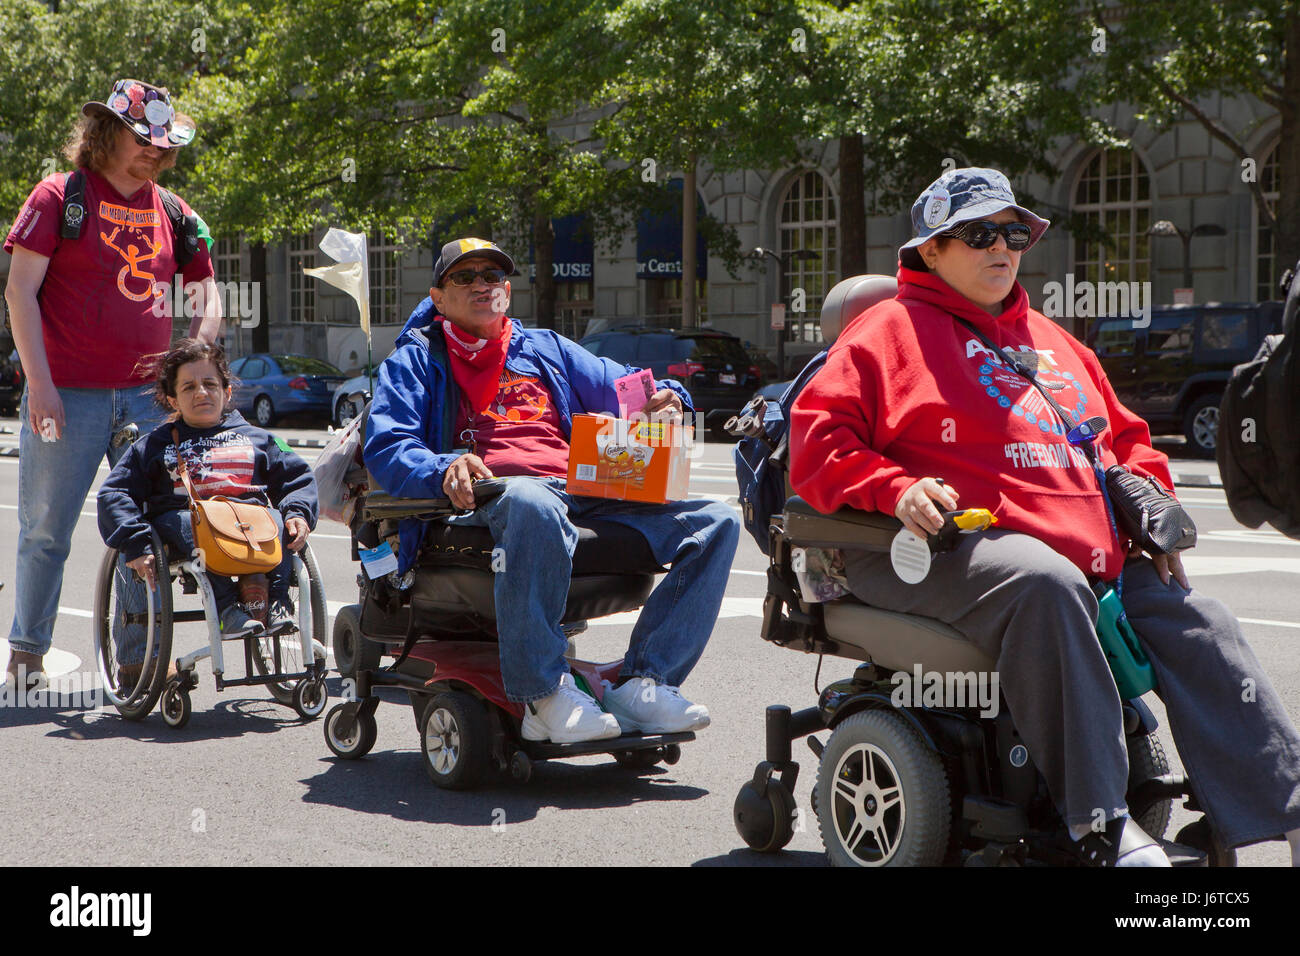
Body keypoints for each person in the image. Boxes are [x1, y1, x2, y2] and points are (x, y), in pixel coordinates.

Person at [790, 167, 1300, 867]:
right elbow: (817, 447)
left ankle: (1284, 811)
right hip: (937, 546)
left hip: (1084, 551)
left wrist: (1157, 511)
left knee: (1201, 619)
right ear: (931, 249)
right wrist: (893, 487)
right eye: (978, 234)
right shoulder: (885, 333)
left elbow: (1127, 443)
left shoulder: (1059, 343)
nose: (1003, 247)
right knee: (1046, 585)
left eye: (1015, 232)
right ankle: (1102, 826)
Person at [364, 238, 739, 744]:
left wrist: (669, 400)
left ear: (508, 292)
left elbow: (631, 387)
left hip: (578, 487)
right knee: (530, 500)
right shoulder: (415, 359)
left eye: (492, 276)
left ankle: (644, 681)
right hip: (486, 500)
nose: (481, 284)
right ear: (438, 296)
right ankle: (542, 694)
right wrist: (442, 466)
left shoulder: (544, 348)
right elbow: (387, 446)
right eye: (464, 276)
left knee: (717, 522)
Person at [3, 79, 222, 690]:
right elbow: (18, 293)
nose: (154, 151)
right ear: (105, 134)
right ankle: (28, 651)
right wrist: (39, 384)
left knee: (144, 526)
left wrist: (201, 350)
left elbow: (207, 290)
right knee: (46, 529)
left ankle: (135, 658)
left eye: (163, 143)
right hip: (65, 392)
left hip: (149, 401)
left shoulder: (175, 212)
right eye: (141, 138)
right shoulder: (58, 197)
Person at [96, 339, 317, 682]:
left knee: (279, 523)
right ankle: (228, 608)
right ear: (173, 399)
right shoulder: (153, 445)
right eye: (189, 386)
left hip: (251, 522)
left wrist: (298, 513)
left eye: (210, 384)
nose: (202, 393)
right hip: (187, 520)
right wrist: (135, 543)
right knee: (196, 524)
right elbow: (114, 492)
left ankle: (275, 602)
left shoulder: (260, 439)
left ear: (227, 392)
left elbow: (297, 475)